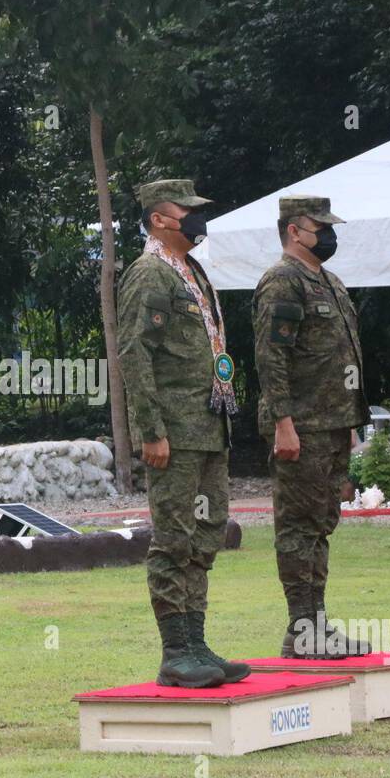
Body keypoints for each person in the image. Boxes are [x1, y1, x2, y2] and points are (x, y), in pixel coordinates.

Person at [116, 179, 249, 688]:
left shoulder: (188, 270)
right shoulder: (150, 273)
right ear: (159, 220)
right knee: (173, 538)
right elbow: (135, 354)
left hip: (208, 426)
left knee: (204, 536)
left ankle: (196, 643)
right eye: (186, 211)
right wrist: (150, 430)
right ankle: (176, 652)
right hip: (174, 431)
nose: (197, 220)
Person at [253, 195, 371, 659]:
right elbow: (271, 357)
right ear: (292, 231)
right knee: (299, 526)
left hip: (333, 424)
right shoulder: (282, 282)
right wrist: (283, 422)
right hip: (301, 425)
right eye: (318, 227)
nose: (328, 234)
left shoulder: (330, 282)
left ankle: (316, 624)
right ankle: (303, 629)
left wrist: (350, 423)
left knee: (322, 523)